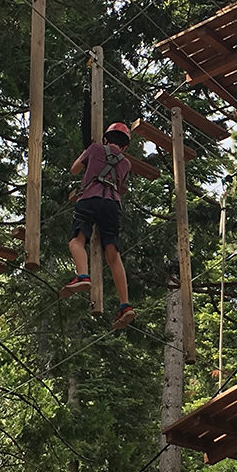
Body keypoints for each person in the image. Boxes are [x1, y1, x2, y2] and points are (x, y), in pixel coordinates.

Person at [63, 121, 135, 330]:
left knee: (77, 240)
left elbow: (75, 169)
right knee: (112, 254)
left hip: (90, 197)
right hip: (112, 204)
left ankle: (83, 275)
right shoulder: (126, 163)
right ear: (125, 146)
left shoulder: (94, 148)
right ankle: (125, 305)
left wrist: (88, 151)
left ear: (106, 138)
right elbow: (120, 189)